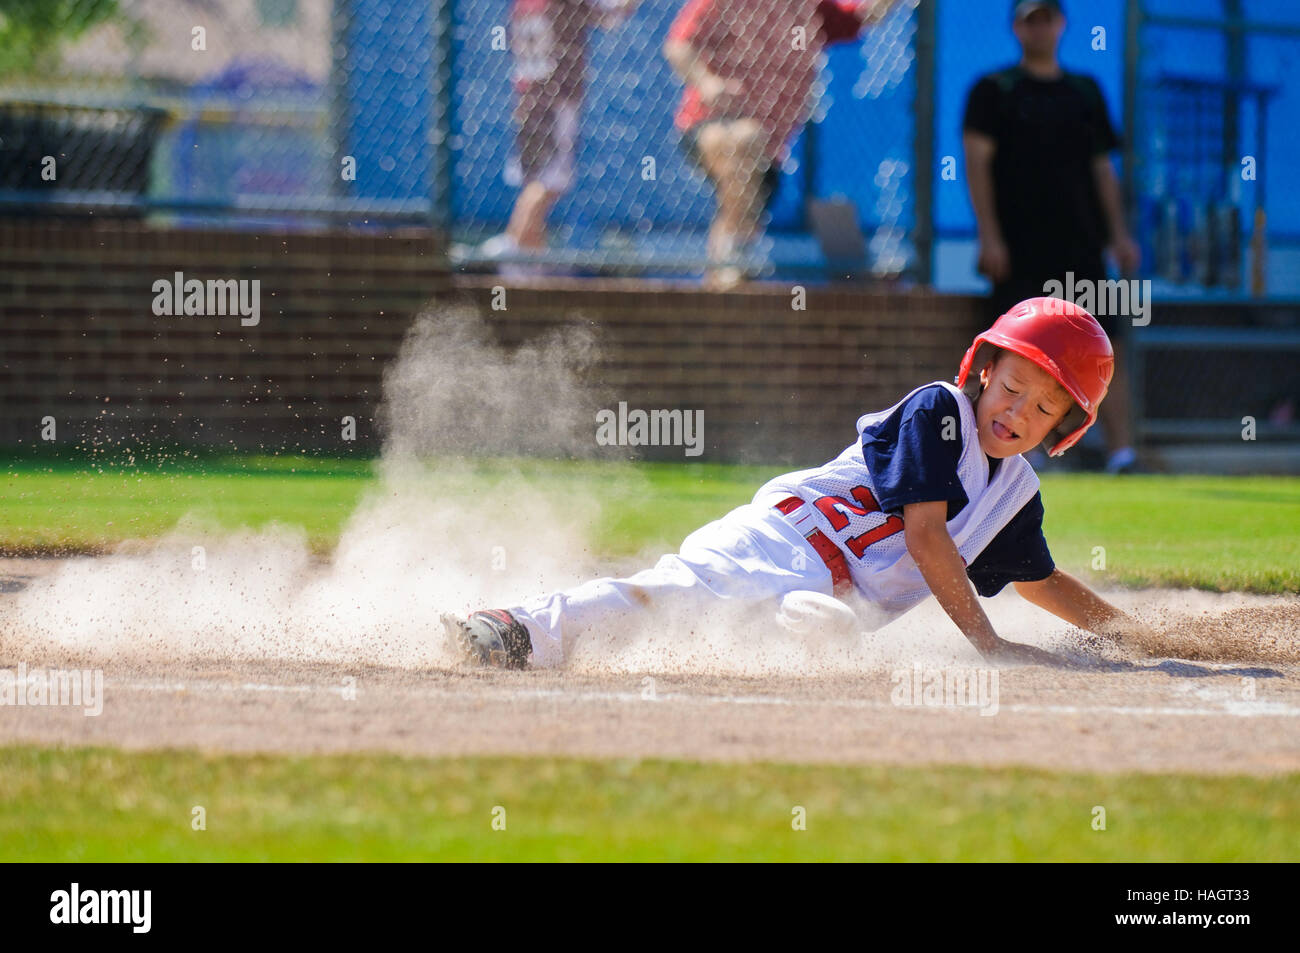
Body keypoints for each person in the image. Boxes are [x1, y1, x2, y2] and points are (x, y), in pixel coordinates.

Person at [444, 297, 1154, 670]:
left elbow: (1039, 579)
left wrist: (1136, 636)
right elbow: (927, 535)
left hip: (830, 598)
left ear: (1066, 426)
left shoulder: (1014, 494)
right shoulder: (940, 412)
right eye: (1014, 385)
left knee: (806, 645)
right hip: (786, 538)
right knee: (683, 594)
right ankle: (519, 628)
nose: (1017, 412)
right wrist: (988, 644)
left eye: (1043, 407)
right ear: (986, 369)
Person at [962, 0, 1142, 474]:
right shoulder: (993, 90)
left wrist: (1119, 234)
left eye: (1047, 18)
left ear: (1061, 25)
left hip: (1082, 248)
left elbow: (1103, 170)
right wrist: (989, 237)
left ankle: (1121, 453)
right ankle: (1000, 455)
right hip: (1020, 250)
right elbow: (976, 164)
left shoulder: (1085, 91)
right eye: (1029, 19)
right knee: (1013, 351)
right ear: (1016, 27)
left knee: (1107, 345)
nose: (1039, 28)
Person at [663, 0, 900, 290]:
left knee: (742, 189)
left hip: (770, 149)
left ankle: (726, 271)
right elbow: (678, 44)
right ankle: (734, 260)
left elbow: (865, 15)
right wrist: (707, 83)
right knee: (742, 142)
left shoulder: (812, 7)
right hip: (711, 124)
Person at [478, 0, 639, 277]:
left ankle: (531, 258)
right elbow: (611, 15)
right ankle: (514, 254)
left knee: (536, 180)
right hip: (555, 99)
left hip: (527, 98)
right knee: (549, 183)